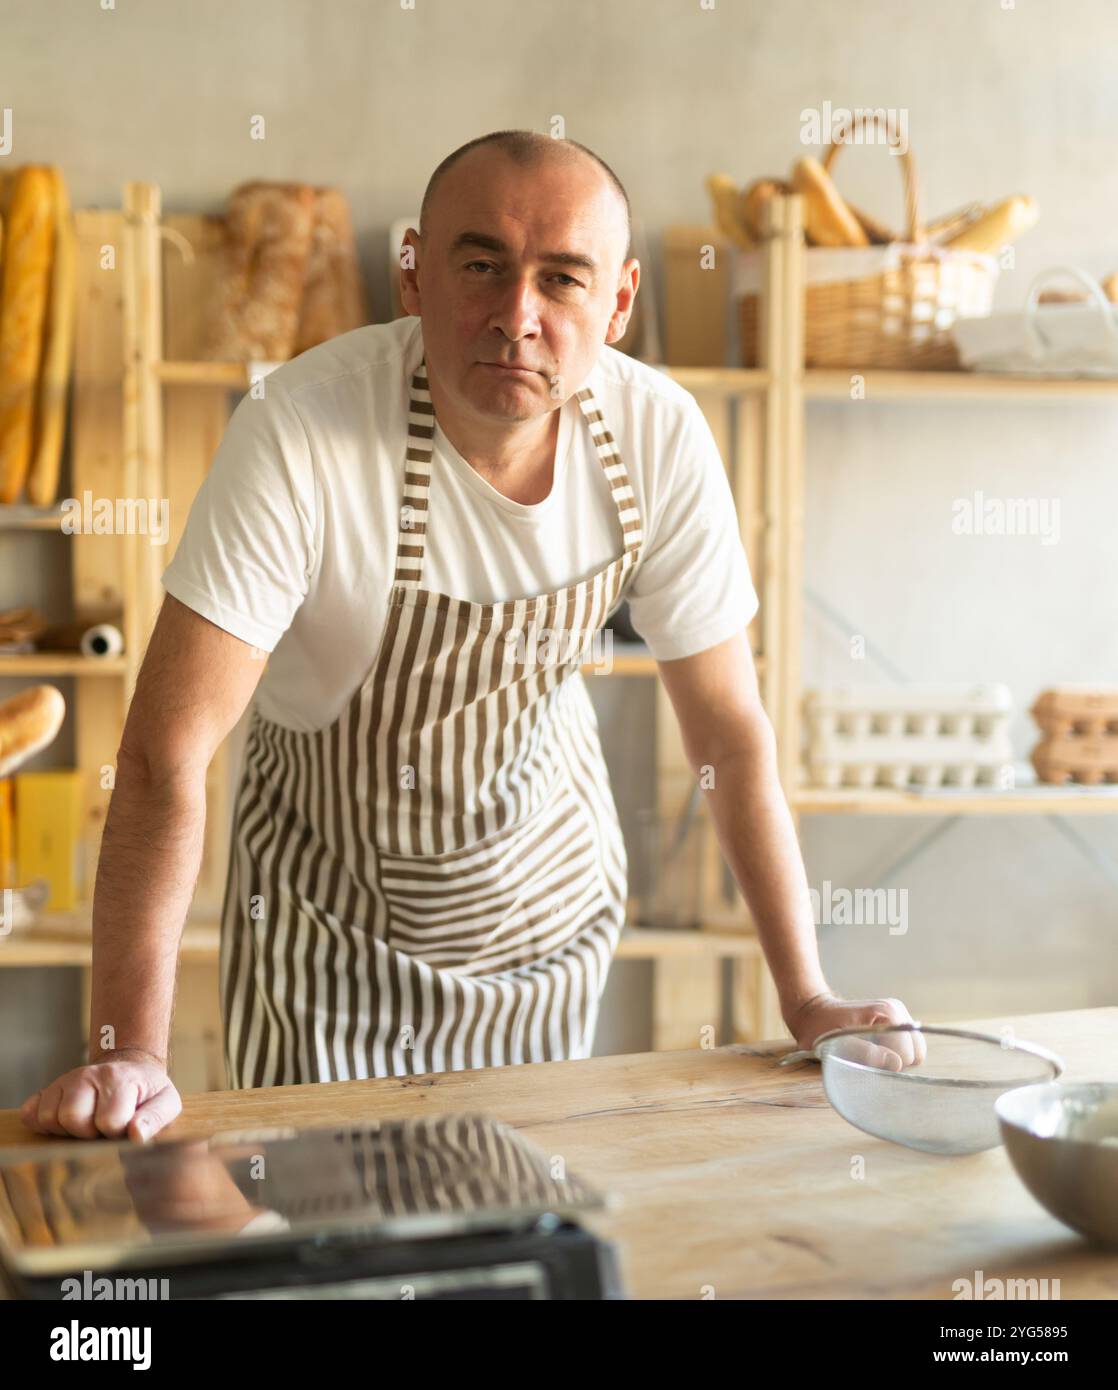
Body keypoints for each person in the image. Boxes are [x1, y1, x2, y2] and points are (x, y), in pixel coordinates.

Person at [20, 130, 919, 1142]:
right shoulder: (299, 433)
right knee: (330, 1254)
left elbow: (726, 732)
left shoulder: (659, 439)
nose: (516, 317)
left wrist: (805, 994)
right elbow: (161, 756)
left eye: (561, 280)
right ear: (413, 273)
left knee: (519, 1231)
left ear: (617, 304)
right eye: (481, 264)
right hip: (327, 927)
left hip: (542, 911)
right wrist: (128, 1049)